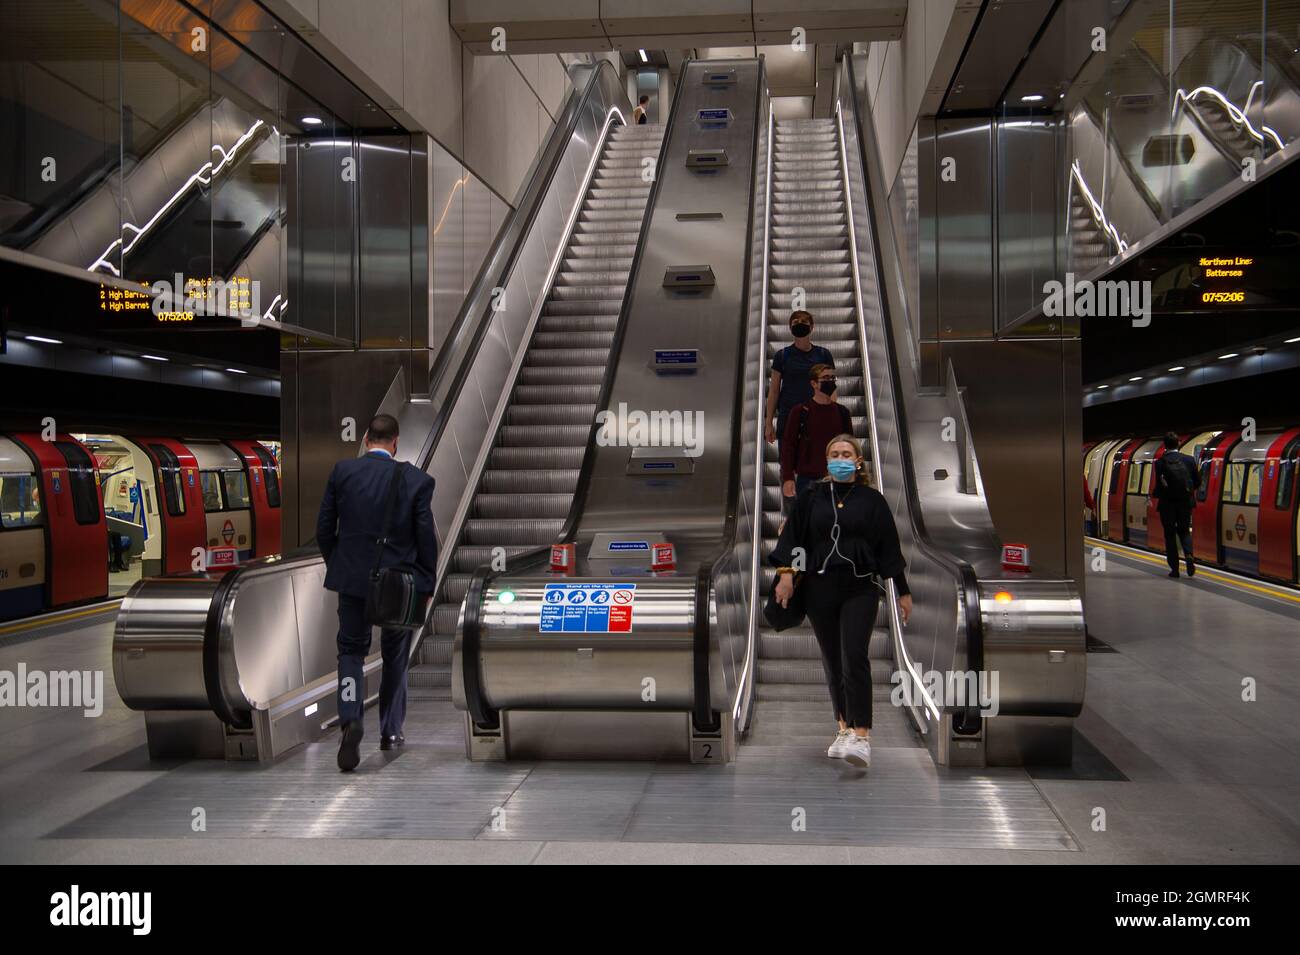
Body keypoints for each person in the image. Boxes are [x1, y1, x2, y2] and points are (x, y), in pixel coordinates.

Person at [769, 434, 913, 769]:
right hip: (820, 587)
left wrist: (902, 590)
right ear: (826, 460)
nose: (840, 458)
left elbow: (889, 548)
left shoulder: (872, 500)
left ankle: (862, 735)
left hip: (860, 587)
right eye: (834, 453)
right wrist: (787, 576)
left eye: (847, 453)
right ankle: (843, 728)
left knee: (854, 654)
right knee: (833, 659)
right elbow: (794, 539)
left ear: (858, 461)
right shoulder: (811, 497)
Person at [317, 413, 438, 771]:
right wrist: (426, 584)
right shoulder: (416, 481)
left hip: (353, 580)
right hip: (397, 584)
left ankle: (351, 717)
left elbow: (324, 528)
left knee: (351, 652)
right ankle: (390, 731)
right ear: (395, 442)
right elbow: (425, 540)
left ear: (367, 438)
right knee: (394, 655)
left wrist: (340, 565)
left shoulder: (342, 472)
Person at [764, 310, 835, 479]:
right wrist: (768, 423)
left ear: (812, 327)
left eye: (803, 322)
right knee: (787, 467)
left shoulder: (823, 355)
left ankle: (814, 504)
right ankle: (789, 504)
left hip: (816, 416)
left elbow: (831, 388)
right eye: (795, 323)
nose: (799, 325)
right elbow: (774, 391)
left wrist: (832, 415)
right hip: (788, 416)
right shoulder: (783, 355)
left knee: (817, 465)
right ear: (790, 327)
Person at [780, 363, 853, 501]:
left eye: (832, 378)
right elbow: (788, 445)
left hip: (838, 477)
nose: (830, 381)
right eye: (825, 378)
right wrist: (788, 478)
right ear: (813, 384)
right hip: (808, 479)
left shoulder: (842, 412)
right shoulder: (800, 411)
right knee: (808, 520)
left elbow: (850, 446)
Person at [1151, 431, 1199, 578]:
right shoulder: (1190, 460)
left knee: (1170, 535)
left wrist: (1155, 494)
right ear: (1179, 443)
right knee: (1184, 531)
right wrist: (1187, 492)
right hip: (1185, 503)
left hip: (1167, 505)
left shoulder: (1160, 463)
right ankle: (1189, 555)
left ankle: (1175, 569)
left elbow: (1159, 486)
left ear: (1165, 445)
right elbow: (1197, 482)